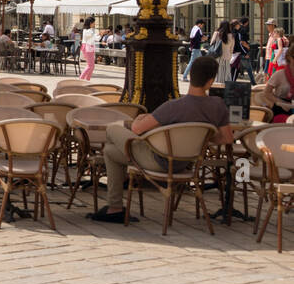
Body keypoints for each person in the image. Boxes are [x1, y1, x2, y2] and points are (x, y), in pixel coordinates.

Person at [90, 55, 232, 222]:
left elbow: (136, 129)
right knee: (110, 151)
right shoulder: (218, 106)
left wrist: (139, 119)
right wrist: (203, 137)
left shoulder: (173, 106)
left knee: (113, 129)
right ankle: (115, 207)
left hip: (157, 161)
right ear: (210, 81)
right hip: (185, 164)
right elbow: (227, 138)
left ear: (191, 76)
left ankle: (120, 192)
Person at [210, 19, 235, 84]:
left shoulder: (216, 33)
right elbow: (232, 49)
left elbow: (211, 44)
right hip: (227, 56)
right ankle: (226, 86)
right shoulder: (231, 36)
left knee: (218, 72)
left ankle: (217, 85)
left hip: (217, 56)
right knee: (227, 72)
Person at [235, 17, 256, 83]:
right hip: (242, 52)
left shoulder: (235, 30)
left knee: (235, 68)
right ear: (246, 22)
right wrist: (247, 48)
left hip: (235, 52)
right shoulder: (243, 30)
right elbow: (242, 42)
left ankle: (232, 81)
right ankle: (253, 82)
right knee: (249, 68)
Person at [78, 16, 98, 80]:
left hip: (88, 47)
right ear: (90, 23)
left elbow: (95, 38)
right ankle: (81, 79)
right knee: (90, 65)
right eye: (94, 23)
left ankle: (87, 79)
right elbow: (95, 38)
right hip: (88, 48)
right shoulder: (88, 31)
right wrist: (101, 34)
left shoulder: (87, 30)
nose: (94, 24)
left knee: (91, 66)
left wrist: (100, 34)